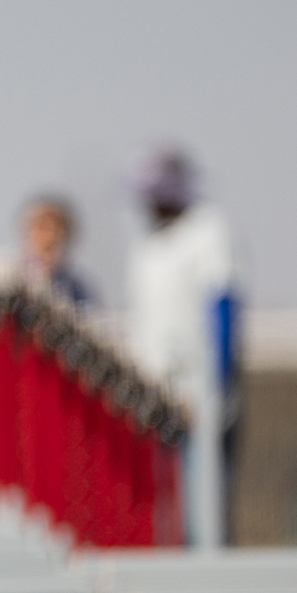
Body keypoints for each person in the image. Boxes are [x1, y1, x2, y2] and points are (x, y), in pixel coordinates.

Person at [124, 146, 241, 548]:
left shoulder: (208, 230)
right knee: (160, 501)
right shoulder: (146, 244)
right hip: (155, 385)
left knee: (204, 498)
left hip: (197, 382)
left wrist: (217, 383)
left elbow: (222, 303)